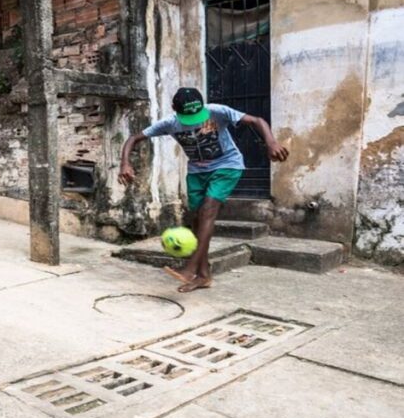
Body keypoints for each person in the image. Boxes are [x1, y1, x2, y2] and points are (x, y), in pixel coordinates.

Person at [119, 87, 288, 292]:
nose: (195, 120)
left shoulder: (217, 111)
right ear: (174, 109)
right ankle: (204, 276)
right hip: (197, 172)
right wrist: (125, 164)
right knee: (198, 221)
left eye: (198, 115)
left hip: (227, 165)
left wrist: (270, 142)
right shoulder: (170, 123)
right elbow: (134, 138)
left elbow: (256, 120)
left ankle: (190, 268)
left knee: (208, 210)